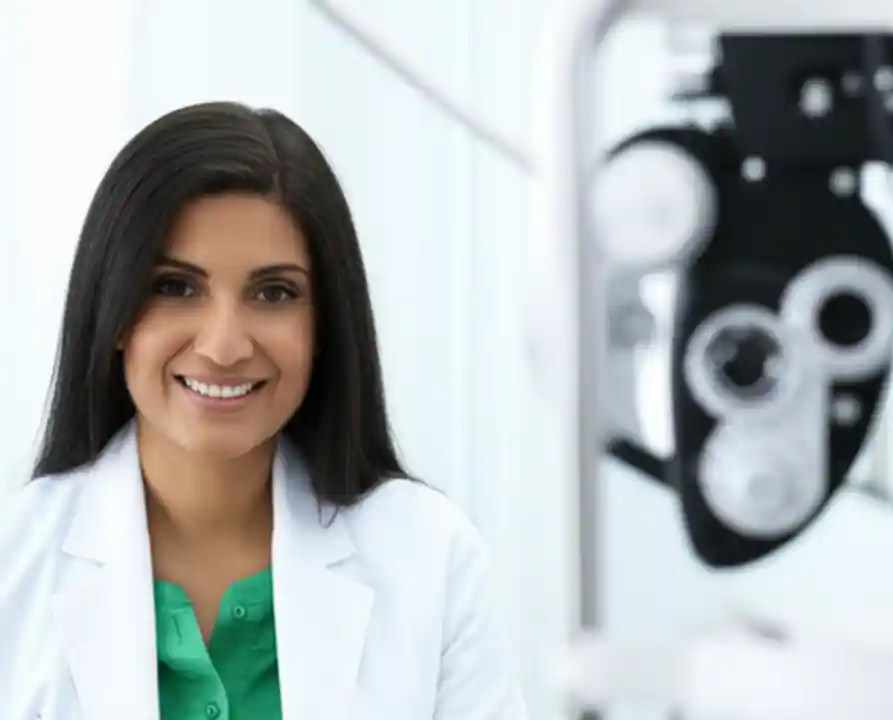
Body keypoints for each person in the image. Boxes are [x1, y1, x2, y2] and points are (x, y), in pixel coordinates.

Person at [0, 101, 527, 719]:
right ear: (112, 308)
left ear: (325, 323)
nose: (224, 345)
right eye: (175, 287)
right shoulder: (15, 565)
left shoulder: (430, 558)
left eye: (273, 293)